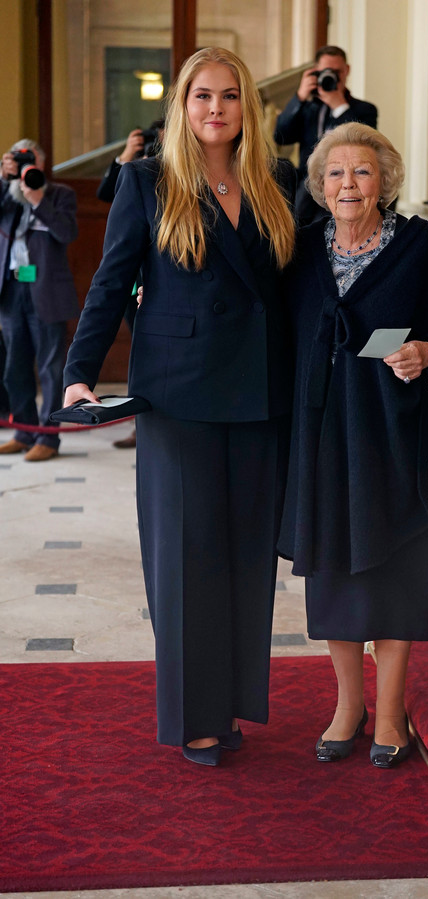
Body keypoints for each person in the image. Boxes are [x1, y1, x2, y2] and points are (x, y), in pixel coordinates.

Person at [62, 48, 296, 766]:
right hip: (178, 392)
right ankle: (195, 717)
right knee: (187, 557)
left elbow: (295, 288)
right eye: (202, 95)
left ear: (247, 106)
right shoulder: (146, 180)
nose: (215, 108)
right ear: (182, 105)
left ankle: (229, 702)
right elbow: (110, 283)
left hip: (260, 391)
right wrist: (77, 374)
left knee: (245, 557)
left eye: (229, 95)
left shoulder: (276, 180)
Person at [277, 123, 428, 768]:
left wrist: (427, 352)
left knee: (398, 574)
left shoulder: (416, 245)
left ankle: (392, 712)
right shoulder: (300, 249)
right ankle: (348, 707)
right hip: (322, 440)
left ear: (385, 182)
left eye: (363, 171)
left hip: (394, 440)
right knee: (333, 576)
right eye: (336, 173)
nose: (348, 184)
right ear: (320, 185)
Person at [0, 139, 79, 461]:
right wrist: (4, 179)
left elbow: (67, 233)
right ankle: (24, 431)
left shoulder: (60, 194)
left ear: (41, 164)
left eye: (30, 160)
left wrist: (37, 200)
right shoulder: (6, 194)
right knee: (14, 367)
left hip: (46, 290)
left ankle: (48, 438)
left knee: (50, 368)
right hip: (11, 289)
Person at [96, 120, 165, 450]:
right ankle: (141, 422)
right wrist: (126, 157)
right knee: (142, 351)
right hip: (133, 281)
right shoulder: (137, 172)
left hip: (168, 282)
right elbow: (104, 193)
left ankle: (154, 421)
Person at [274, 45, 377, 225]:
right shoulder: (307, 109)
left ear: (347, 71)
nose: (332, 77)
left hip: (344, 183)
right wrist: (299, 97)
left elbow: (365, 144)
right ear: (316, 72)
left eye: (337, 72)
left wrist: (340, 108)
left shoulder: (364, 110)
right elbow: (281, 136)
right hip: (306, 185)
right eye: (326, 72)